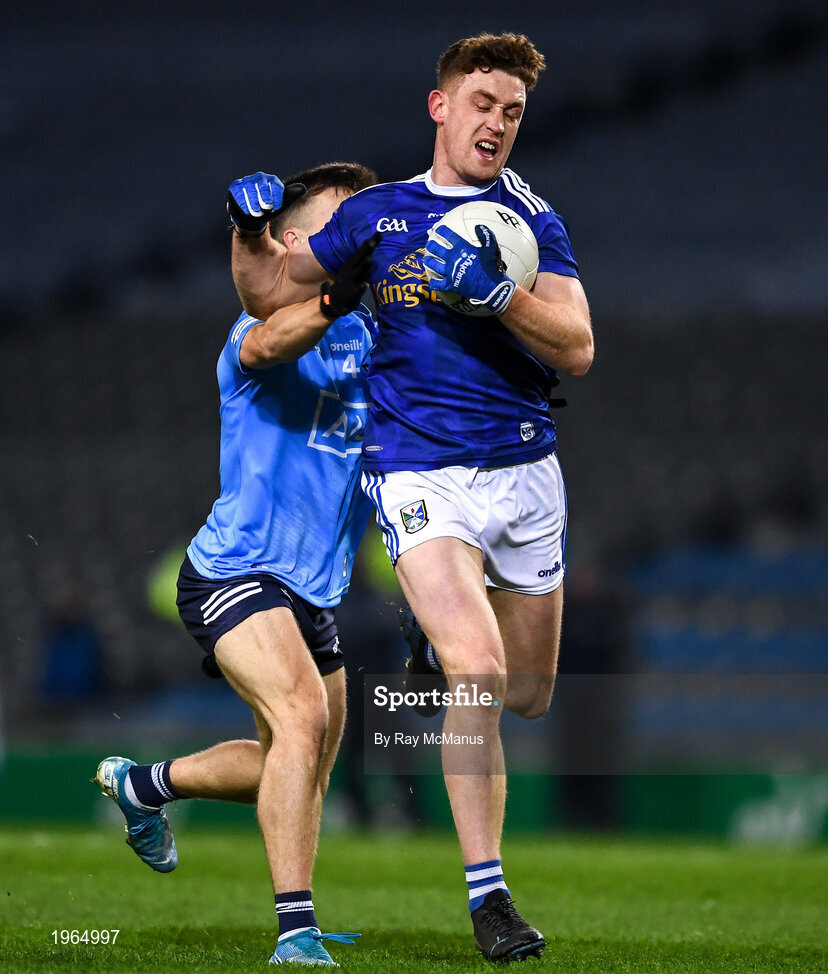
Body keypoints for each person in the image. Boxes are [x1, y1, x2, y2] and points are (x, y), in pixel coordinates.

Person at [231, 33, 594, 963]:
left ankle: (437, 637)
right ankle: (490, 897)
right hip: (419, 471)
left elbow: (578, 346)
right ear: (440, 106)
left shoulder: (531, 221)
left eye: (512, 111)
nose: (497, 124)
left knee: (530, 695)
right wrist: (247, 229)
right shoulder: (380, 216)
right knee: (477, 671)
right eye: (482, 103)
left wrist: (500, 297)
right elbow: (269, 288)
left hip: (524, 472)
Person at [94, 161, 380, 967]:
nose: (359, 235)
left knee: (301, 764)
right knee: (304, 721)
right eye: (341, 223)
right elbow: (267, 338)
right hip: (234, 569)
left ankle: (144, 786)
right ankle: (295, 931)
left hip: (311, 591)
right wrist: (253, 238)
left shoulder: (374, 335)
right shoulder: (267, 328)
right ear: (295, 244)